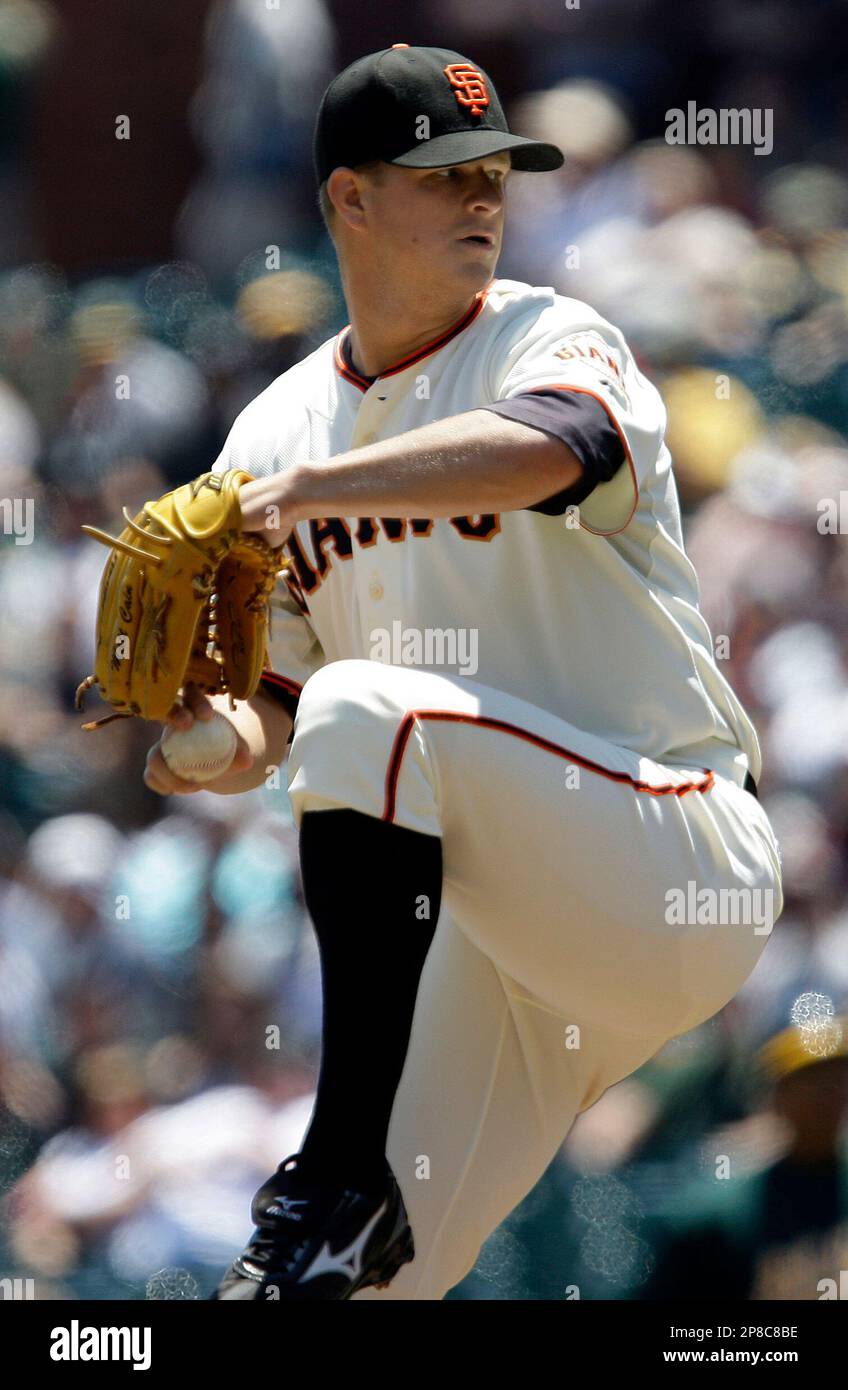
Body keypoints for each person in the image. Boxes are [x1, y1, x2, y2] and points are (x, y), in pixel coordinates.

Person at [143, 44, 784, 1301]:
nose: (485, 198)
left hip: (670, 857)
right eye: (445, 174)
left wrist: (321, 490)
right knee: (324, 1293)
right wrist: (210, 741)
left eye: (495, 171)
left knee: (371, 710)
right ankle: (344, 1226)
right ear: (349, 200)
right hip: (500, 938)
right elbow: (279, 703)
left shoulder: (548, 335)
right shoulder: (273, 431)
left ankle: (334, 1167)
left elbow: (559, 444)